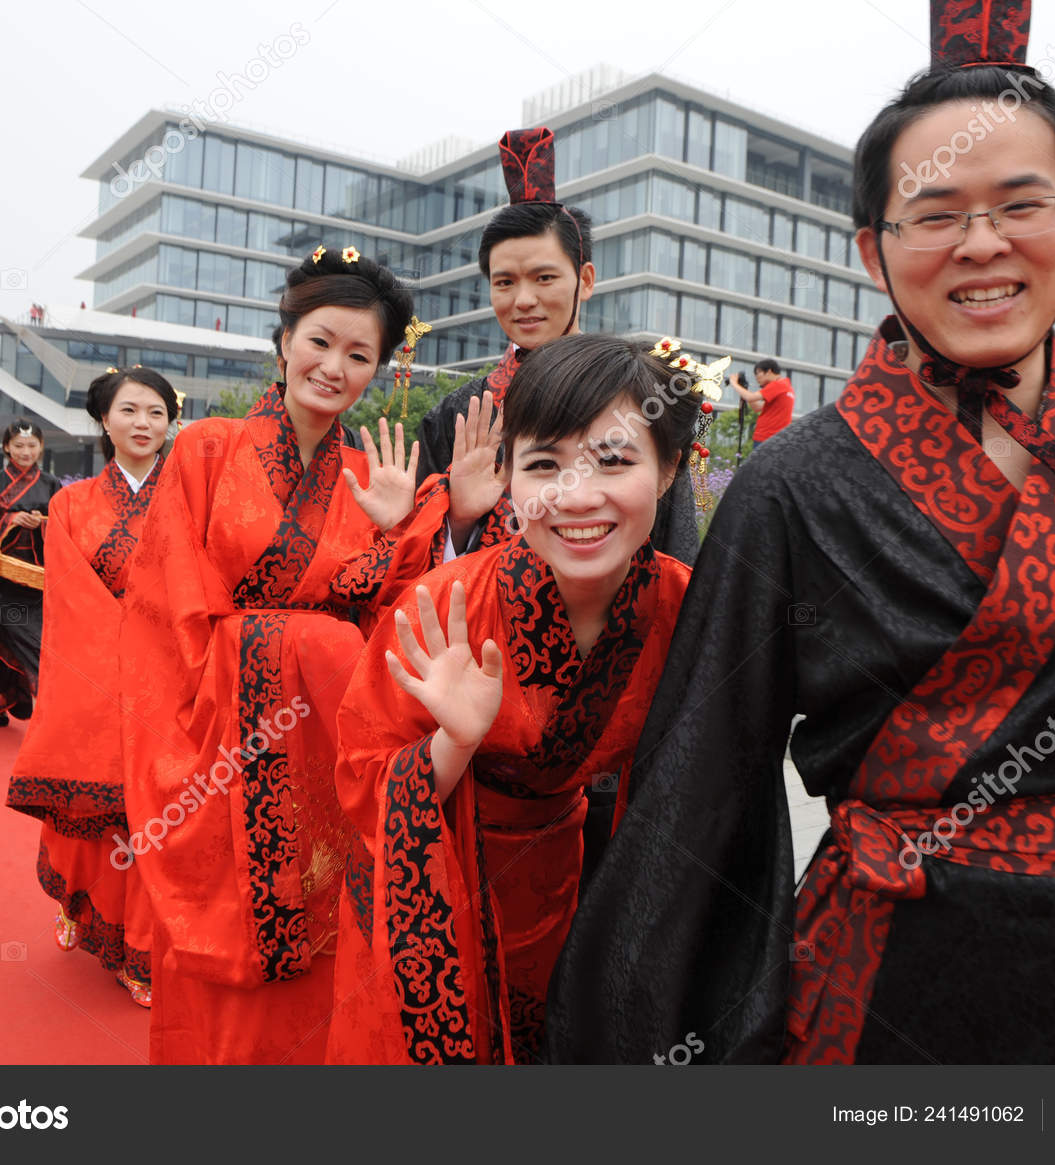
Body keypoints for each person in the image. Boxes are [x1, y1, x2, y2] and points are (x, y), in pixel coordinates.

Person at [545, 0, 1055, 1066]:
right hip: (879, 984)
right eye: (934, 215)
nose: (981, 244)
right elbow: (697, 790)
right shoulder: (789, 489)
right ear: (872, 248)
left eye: (1021, 204)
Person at [328, 334, 699, 1065]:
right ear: (507, 476)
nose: (576, 495)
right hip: (434, 884)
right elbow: (362, 781)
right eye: (543, 465)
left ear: (668, 470)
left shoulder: (687, 609)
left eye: (614, 461)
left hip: (568, 880)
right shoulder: (445, 604)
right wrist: (452, 744)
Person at [120, 246, 447, 1064]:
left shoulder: (371, 476)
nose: (334, 367)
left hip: (327, 744)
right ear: (284, 342)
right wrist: (267, 654)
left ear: (377, 371)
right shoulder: (206, 448)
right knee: (227, 967)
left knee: (325, 943)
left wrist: (402, 530)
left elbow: (392, 626)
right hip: (222, 735)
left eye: (359, 355)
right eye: (320, 342)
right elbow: (164, 607)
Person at [414, 129, 700, 565]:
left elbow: (675, 549)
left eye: (544, 278)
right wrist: (460, 521)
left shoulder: (637, 396)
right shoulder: (459, 415)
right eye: (504, 282)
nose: (523, 300)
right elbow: (418, 563)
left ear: (585, 280)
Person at [6, 367, 178, 1008]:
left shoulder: (191, 495)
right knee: (105, 807)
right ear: (104, 420)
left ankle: (147, 944)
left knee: (161, 813)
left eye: (156, 412)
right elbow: (71, 602)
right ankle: (95, 914)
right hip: (99, 674)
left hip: (176, 673)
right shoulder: (71, 503)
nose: (143, 423)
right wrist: (129, 648)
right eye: (129, 410)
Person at [0, 419, 60, 728]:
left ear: (41, 447)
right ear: (7, 447)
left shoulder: (51, 483)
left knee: (35, 638)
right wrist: (9, 520)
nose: (26, 451)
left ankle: (43, 700)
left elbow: (64, 524)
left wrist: (43, 522)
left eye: (32, 445)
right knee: (2, 636)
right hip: (0, 578)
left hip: (37, 577)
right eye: (19, 445)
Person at [730, 359, 795, 446]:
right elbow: (757, 407)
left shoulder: (778, 385)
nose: (756, 378)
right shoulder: (786, 387)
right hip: (776, 438)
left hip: (767, 437)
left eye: (758, 373)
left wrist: (734, 383)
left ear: (769, 372)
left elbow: (750, 397)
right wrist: (744, 389)